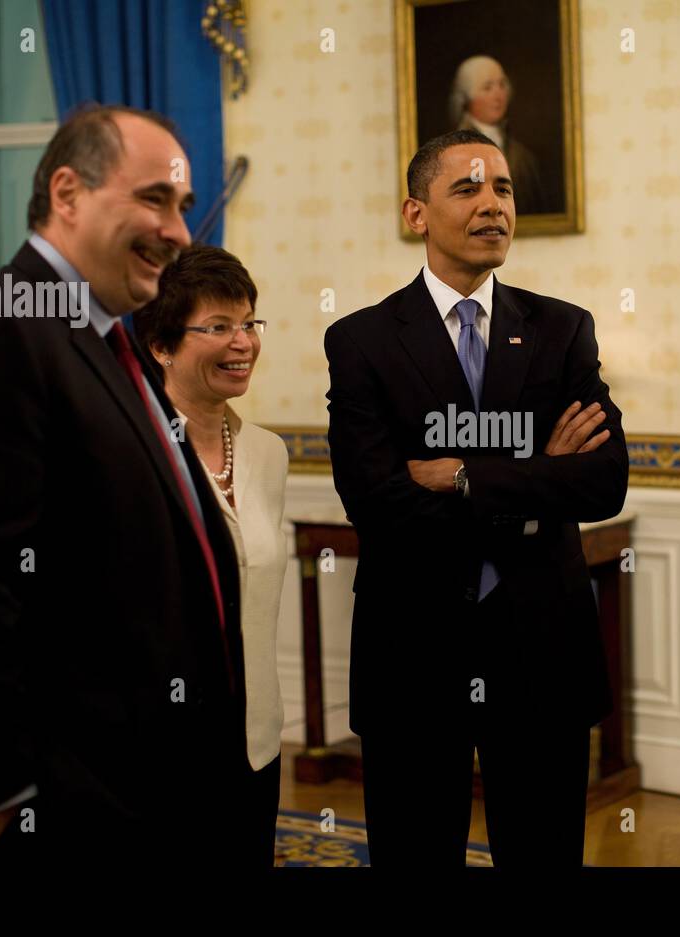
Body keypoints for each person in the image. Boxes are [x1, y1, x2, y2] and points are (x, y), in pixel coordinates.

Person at [0, 105, 248, 866]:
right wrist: (7, 807)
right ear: (67, 192)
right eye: (154, 198)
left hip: (148, 792)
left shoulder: (108, 339)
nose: (180, 231)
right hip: (65, 817)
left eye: (183, 206)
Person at [324, 128, 627, 866]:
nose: (492, 205)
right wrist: (535, 477)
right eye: (467, 188)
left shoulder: (562, 330)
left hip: (541, 652)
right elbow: (378, 504)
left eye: (503, 189)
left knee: (545, 854)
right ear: (415, 213)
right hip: (414, 653)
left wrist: (463, 475)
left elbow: (601, 481)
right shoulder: (361, 341)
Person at [134, 244, 288, 867]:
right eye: (218, 327)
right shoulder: (131, 452)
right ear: (163, 346)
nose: (243, 342)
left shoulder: (268, 455)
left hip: (254, 742)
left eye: (249, 323)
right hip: (154, 745)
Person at [450, 55, 549, 215]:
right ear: (467, 98)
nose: (498, 95)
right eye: (487, 87)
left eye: (502, 85)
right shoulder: (453, 153)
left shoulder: (523, 157)